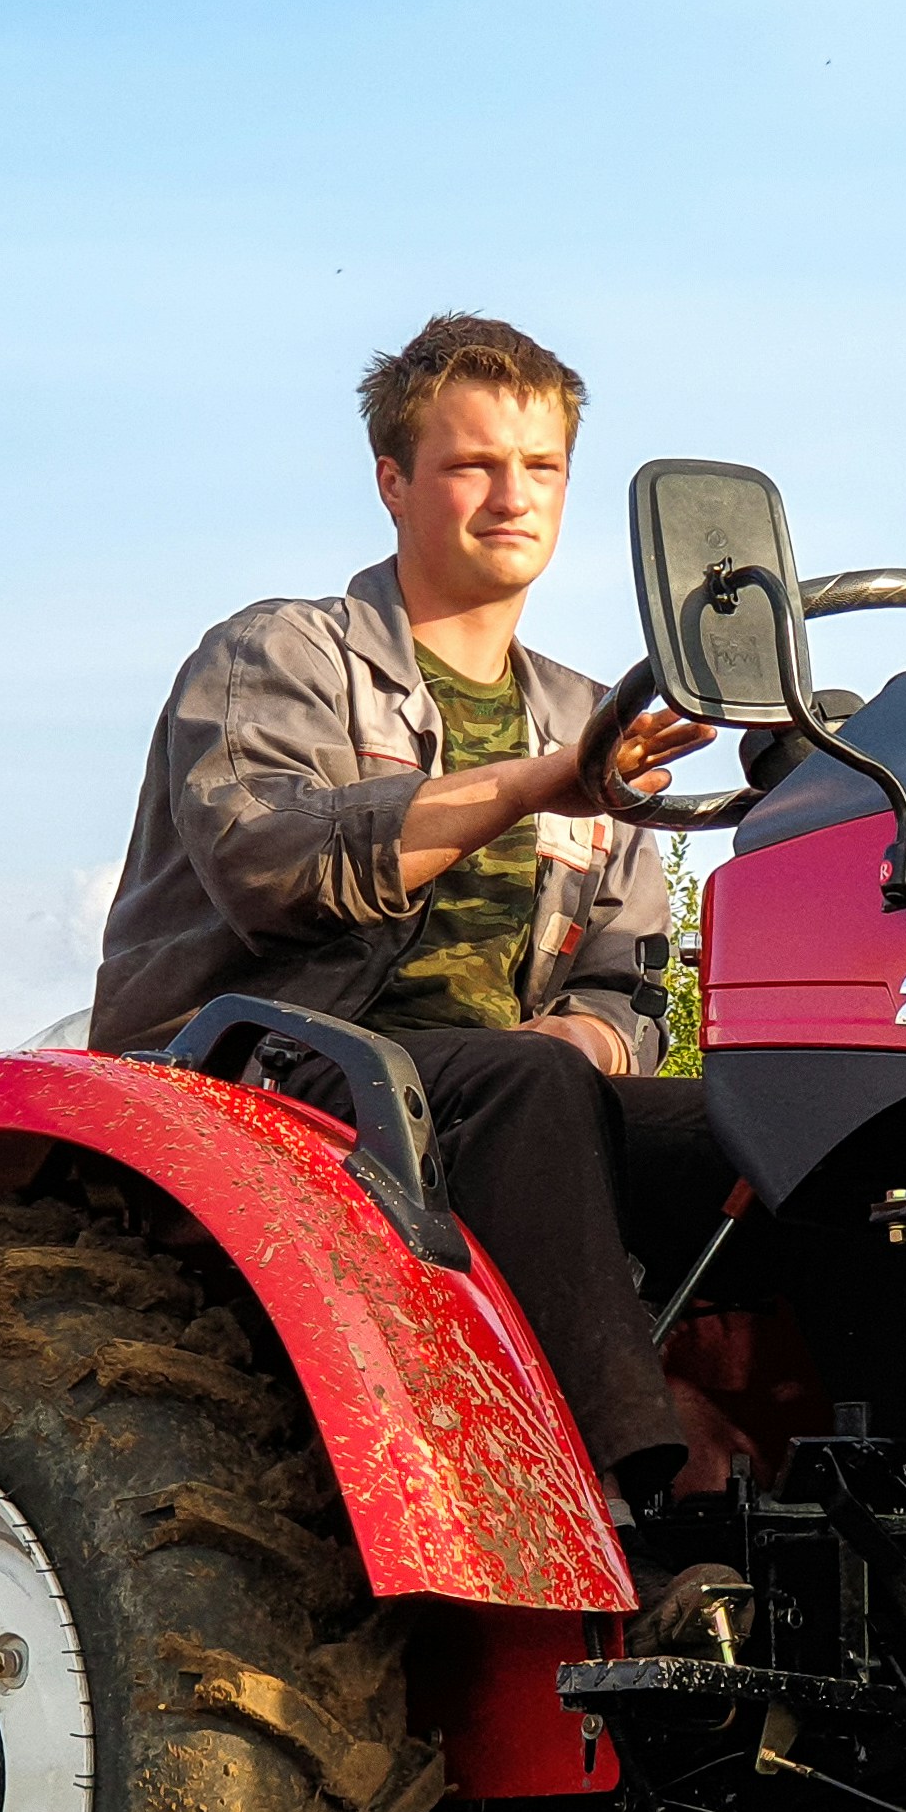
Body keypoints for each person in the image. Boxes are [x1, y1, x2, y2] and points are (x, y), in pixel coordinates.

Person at [90, 313, 733, 1510]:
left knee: (759, 1130)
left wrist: (588, 1035)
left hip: (489, 1088)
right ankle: (629, 1496)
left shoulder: (588, 708)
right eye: (471, 465)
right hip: (266, 1079)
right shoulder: (279, 656)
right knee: (523, 1089)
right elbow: (270, 867)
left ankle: (853, 1494)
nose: (512, 498)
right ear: (393, 481)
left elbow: (622, 979)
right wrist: (547, 781)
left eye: (540, 467)